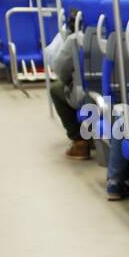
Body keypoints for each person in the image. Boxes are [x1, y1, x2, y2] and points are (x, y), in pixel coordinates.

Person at [42, 9, 91, 160]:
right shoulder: (117, 33)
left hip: (87, 95)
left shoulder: (74, 40)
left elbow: (61, 71)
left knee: (56, 89)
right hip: (118, 93)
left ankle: (79, 140)